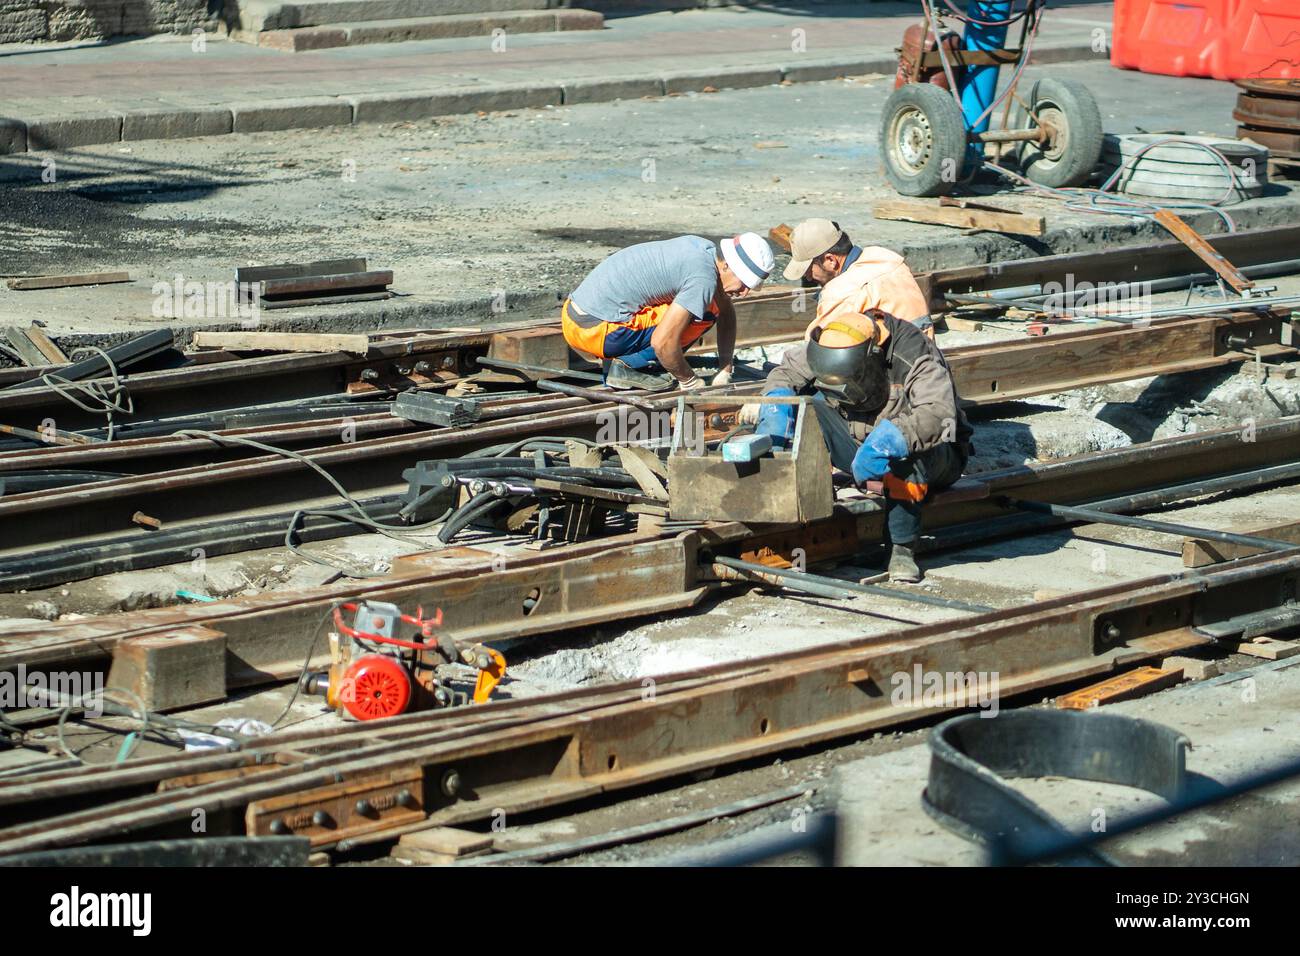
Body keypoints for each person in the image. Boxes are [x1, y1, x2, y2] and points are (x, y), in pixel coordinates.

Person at [751, 309, 972, 583]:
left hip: (935, 453)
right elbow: (785, 374)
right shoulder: (834, 342)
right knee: (807, 408)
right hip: (861, 443)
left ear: (871, 356)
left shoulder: (914, 353)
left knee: (905, 456)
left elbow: (938, 414)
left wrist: (890, 439)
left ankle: (901, 549)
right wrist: (777, 403)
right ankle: (802, 518)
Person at [561, 233, 775, 390]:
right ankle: (626, 365)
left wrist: (725, 368)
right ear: (727, 265)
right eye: (744, 283)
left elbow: (727, 312)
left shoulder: (706, 253)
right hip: (593, 330)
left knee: (709, 305)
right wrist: (689, 380)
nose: (745, 293)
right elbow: (662, 341)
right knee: (703, 312)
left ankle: (630, 361)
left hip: (576, 316)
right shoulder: (703, 278)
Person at [781, 218, 934, 336]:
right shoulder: (885, 257)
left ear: (830, 260)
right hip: (926, 361)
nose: (808, 278)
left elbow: (817, 352)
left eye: (808, 269)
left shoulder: (841, 291)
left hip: (895, 373)